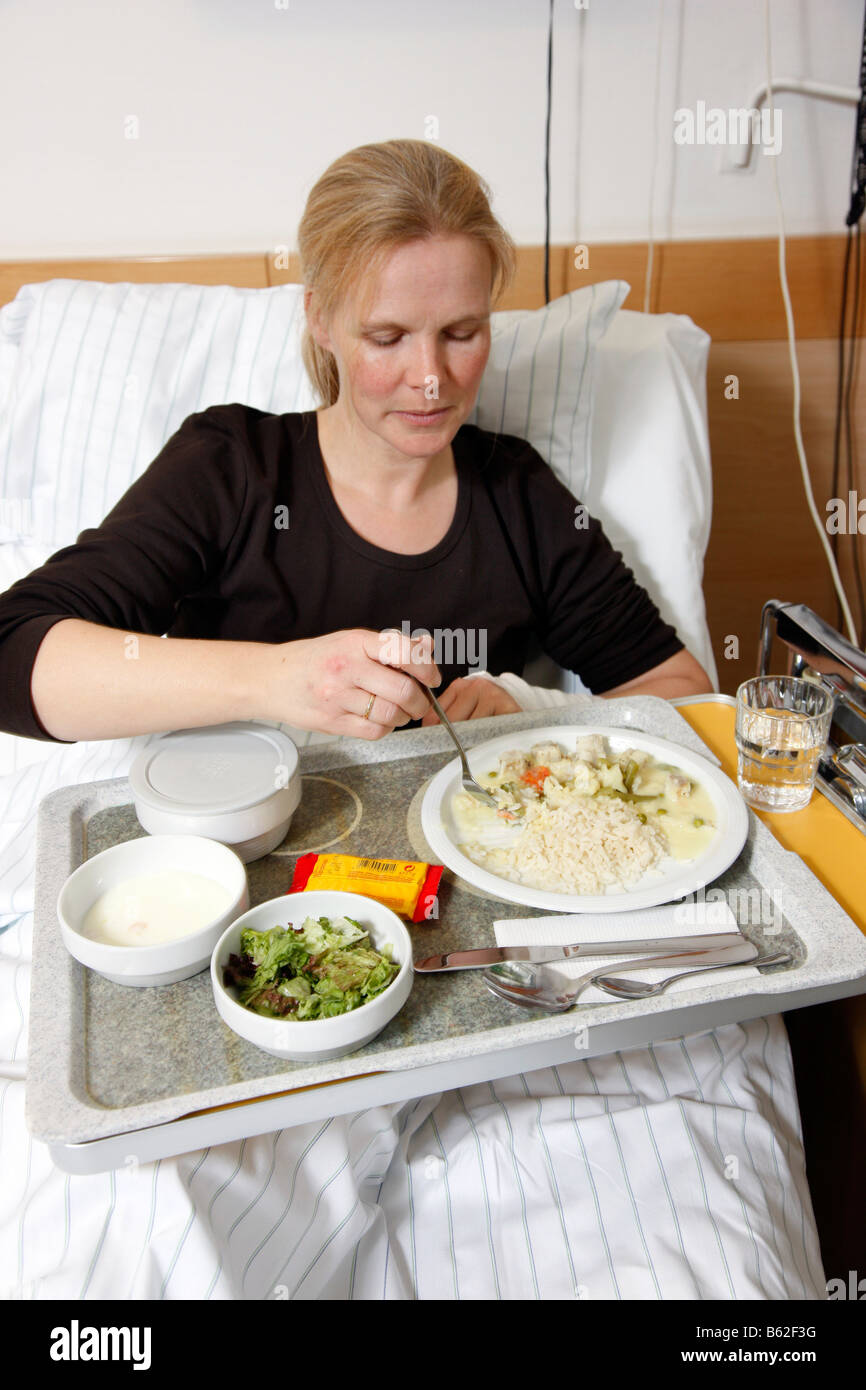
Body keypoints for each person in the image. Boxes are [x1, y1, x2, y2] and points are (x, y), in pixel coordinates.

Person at [0, 140, 824, 1300]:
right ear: (324, 321)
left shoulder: (518, 498)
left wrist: (522, 709)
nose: (430, 379)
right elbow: (21, 658)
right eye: (387, 337)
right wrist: (271, 680)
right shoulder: (231, 469)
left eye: (463, 331)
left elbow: (682, 699)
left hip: (486, 940)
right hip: (264, 920)